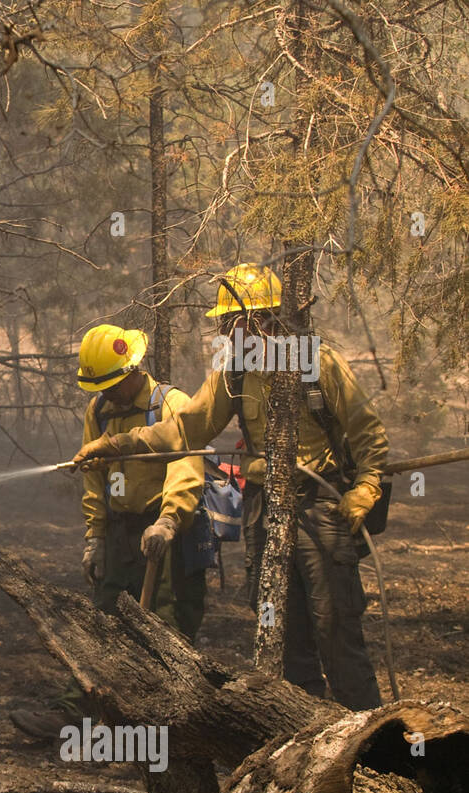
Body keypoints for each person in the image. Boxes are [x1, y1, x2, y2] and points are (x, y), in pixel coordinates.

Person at [74, 263, 389, 711]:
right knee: (282, 637)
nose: (225, 332)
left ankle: (371, 744)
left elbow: (368, 433)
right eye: (224, 323)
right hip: (264, 509)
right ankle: (305, 740)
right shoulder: (234, 370)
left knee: (335, 631)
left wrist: (367, 486)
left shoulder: (317, 361)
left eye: (232, 321)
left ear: (263, 319)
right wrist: (119, 444)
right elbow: (188, 428)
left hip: (323, 511)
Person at [11, 324, 206, 739]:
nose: (109, 393)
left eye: (114, 384)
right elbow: (94, 481)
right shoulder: (99, 413)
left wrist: (169, 520)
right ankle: (72, 717)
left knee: (170, 628)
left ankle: (167, 728)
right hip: (121, 533)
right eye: (101, 387)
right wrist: (95, 539)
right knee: (101, 621)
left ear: (135, 369)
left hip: (169, 533)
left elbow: (186, 468)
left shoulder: (171, 405)